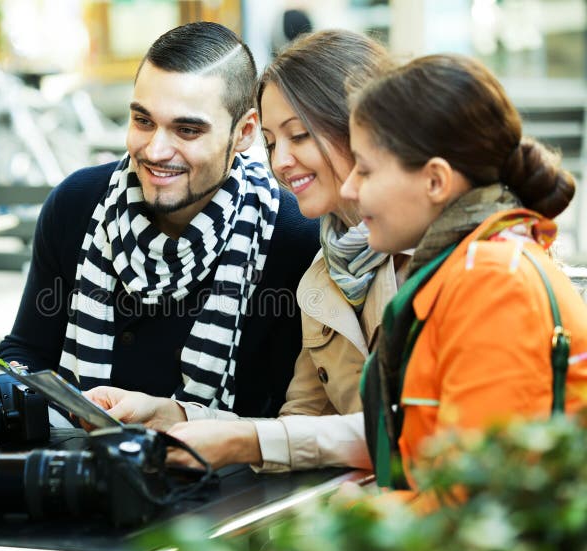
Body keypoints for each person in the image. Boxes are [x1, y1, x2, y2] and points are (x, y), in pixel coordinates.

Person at [0, 22, 319, 425]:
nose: (156, 150)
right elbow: (28, 349)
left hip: (223, 465)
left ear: (244, 132)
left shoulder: (293, 236)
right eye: (143, 121)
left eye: (187, 130)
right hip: (79, 455)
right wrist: (2, 385)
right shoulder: (76, 203)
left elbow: (293, 423)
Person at [84, 30, 397, 472]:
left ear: (365, 131)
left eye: (299, 135)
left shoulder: (435, 254)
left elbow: (425, 430)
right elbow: (300, 423)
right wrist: (175, 416)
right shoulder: (326, 268)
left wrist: (241, 440)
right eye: (272, 142)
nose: (280, 161)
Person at [342, 53, 587, 492]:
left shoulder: (493, 282)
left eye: (364, 169)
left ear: (436, 181)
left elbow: (477, 500)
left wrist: (359, 516)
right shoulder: (474, 266)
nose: (349, 188)